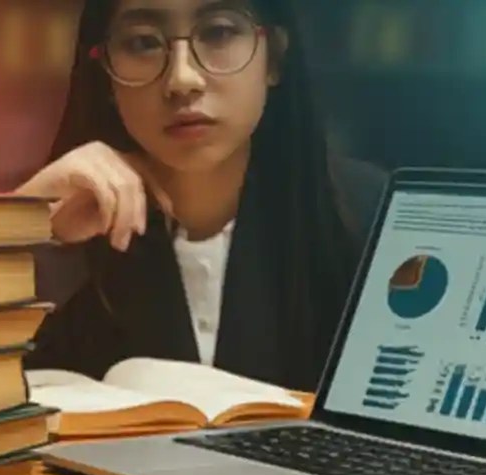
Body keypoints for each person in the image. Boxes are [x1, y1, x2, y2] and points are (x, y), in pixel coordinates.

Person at [20, 0, 387, 392]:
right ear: (105, 73)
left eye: (218, 33)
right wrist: (19, 232)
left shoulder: (373, 219)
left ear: (275, 58)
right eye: (143, 43)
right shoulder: (70, 225)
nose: (182, 79)